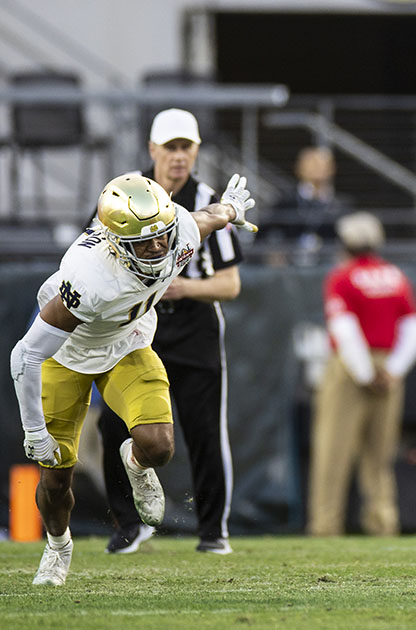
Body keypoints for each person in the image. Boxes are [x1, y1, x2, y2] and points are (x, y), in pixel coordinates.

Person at [10, 172, 257, 586]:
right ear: (115, 243)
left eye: (161, 235)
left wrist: (231, 208)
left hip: (126, 343)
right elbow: (26, 353)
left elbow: (208, 217)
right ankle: (57, 547)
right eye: (144, 242)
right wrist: (34, 430)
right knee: (55, 478)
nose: (158, 247)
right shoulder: (88, 280)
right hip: (68, 356)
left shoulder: (178, 232)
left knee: (158, 445)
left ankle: (136, 464)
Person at [93, 108, 245, 555]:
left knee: (205, 430)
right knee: (114, 423)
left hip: (194, 327)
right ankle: (128, 524)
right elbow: (93, 254)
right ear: (152, 149)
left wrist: (184, 287)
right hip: (138, 325)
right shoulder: (125, 195)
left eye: (186, 147)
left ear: (196, 151)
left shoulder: (207, 198)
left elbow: (231, 284)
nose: (178, 156)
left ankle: (213, 530)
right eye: (170, 147)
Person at [308, 211, 416, 536]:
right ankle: (382, 523)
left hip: (350, 368)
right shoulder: (395, 275)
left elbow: (344, 329)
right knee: (380, 455)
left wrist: (365, 374)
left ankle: (326, 525)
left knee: (332, 452)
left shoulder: (342, 277)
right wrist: (392, 371)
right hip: (389, 366)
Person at [266, 146, 340, 262]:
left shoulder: (338, 204)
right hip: (289, 263)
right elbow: (268, 230)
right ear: (299, 168)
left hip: (325, 262)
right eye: (312, 164)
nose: (317, 168)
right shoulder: (285, 201)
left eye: (321, 164)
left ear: (332, 169)